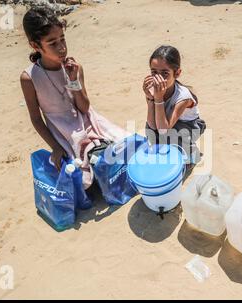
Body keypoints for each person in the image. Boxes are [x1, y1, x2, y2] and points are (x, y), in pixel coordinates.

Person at [20, 7, 128, 189]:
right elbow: (36, 119)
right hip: (64, 132)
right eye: (52, 43)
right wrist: (55, 147)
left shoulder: (74, 67)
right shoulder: (29, 78)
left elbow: (85, 109)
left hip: (89, 122)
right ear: (36, 46)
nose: (62, 48)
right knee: (85, 180)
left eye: (62, 39)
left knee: (125, 147)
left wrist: (73, 81)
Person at [143, 45, 206, 166]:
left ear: (177, 73)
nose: (158, 78)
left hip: (190, 127)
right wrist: (151, 99)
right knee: (151, 132)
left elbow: (163, 130)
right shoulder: (153, 90)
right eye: (154, 72)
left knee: (170, 137)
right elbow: (151, 124)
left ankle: (191, 153)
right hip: (167, 123)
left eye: (165, 73)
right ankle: (168, 152)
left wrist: (158, 98)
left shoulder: (183, 97)